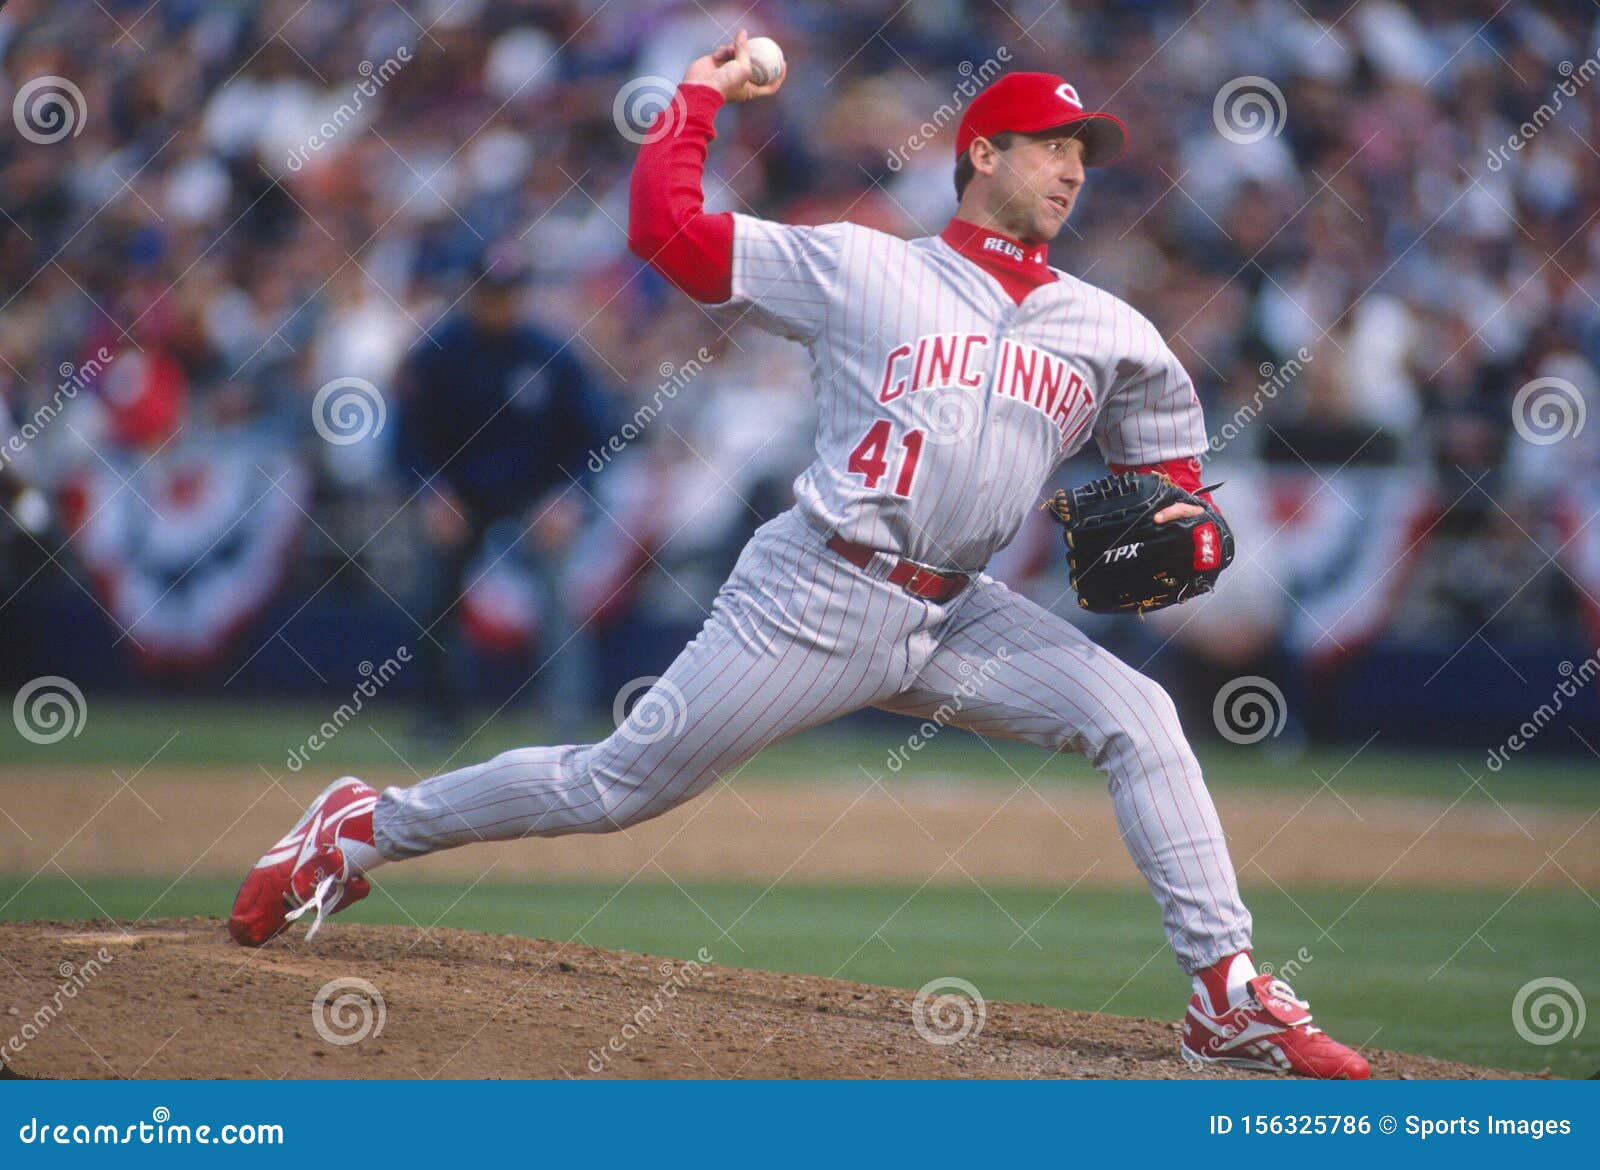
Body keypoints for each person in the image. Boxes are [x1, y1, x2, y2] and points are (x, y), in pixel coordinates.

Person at [229, 36, 1368, 1079]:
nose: (1072, 170)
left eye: (1084, 152)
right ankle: (359, 826)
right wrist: (695, 100)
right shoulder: (862, 268)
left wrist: (1183, 524)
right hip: (816, 592)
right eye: (1050, 147)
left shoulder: (1110, 328)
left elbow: (1167, 477)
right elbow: (667, 235)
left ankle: (1224, 992)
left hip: (957, 613)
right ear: (982, 154)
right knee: (613, 785)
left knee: (1138, 716)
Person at [393, 251, 610, 742]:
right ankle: (439, 719)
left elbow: (594, 436)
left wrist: (570, 495)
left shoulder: (549, 355)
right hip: (459, 496)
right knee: (432, 601)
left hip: (535, 496)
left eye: (508, 295)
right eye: (489, 295)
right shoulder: (439, 354)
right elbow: (407, 438)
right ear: (472, 295)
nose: (498, 306)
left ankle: (567, 721)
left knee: (559, 600)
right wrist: (429, 491)